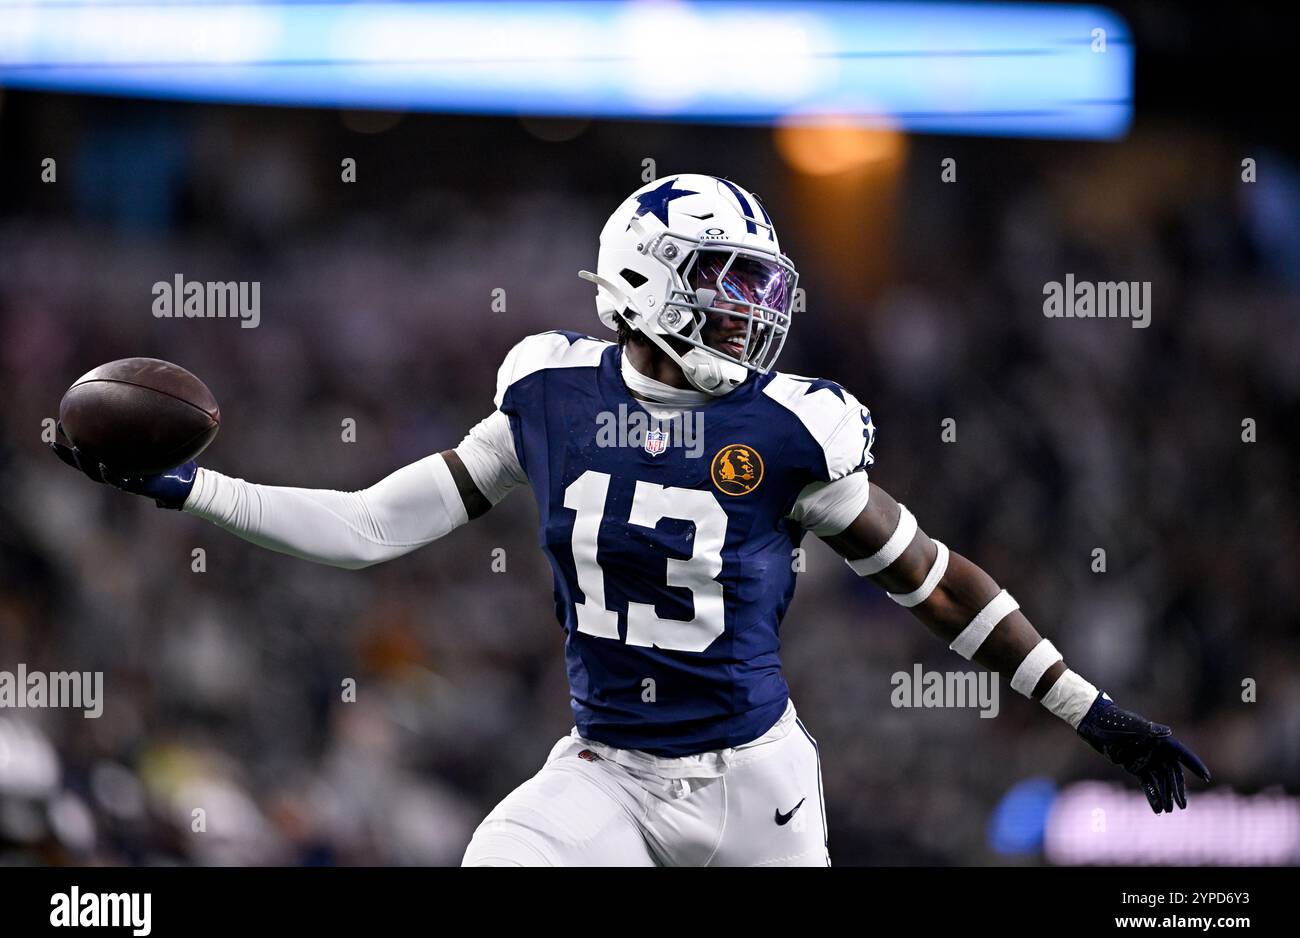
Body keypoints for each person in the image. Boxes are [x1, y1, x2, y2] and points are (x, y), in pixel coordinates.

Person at [52, 174, 1210, 866]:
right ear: (651, 280)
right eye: (726, 281)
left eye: (761, 286)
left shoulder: (794, 430)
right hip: (605, 772)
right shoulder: (549, 393)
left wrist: (1092, 711)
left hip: (759, 786)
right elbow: (368, 525)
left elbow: (937, 580)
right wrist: (187, 488)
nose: (753, 312)